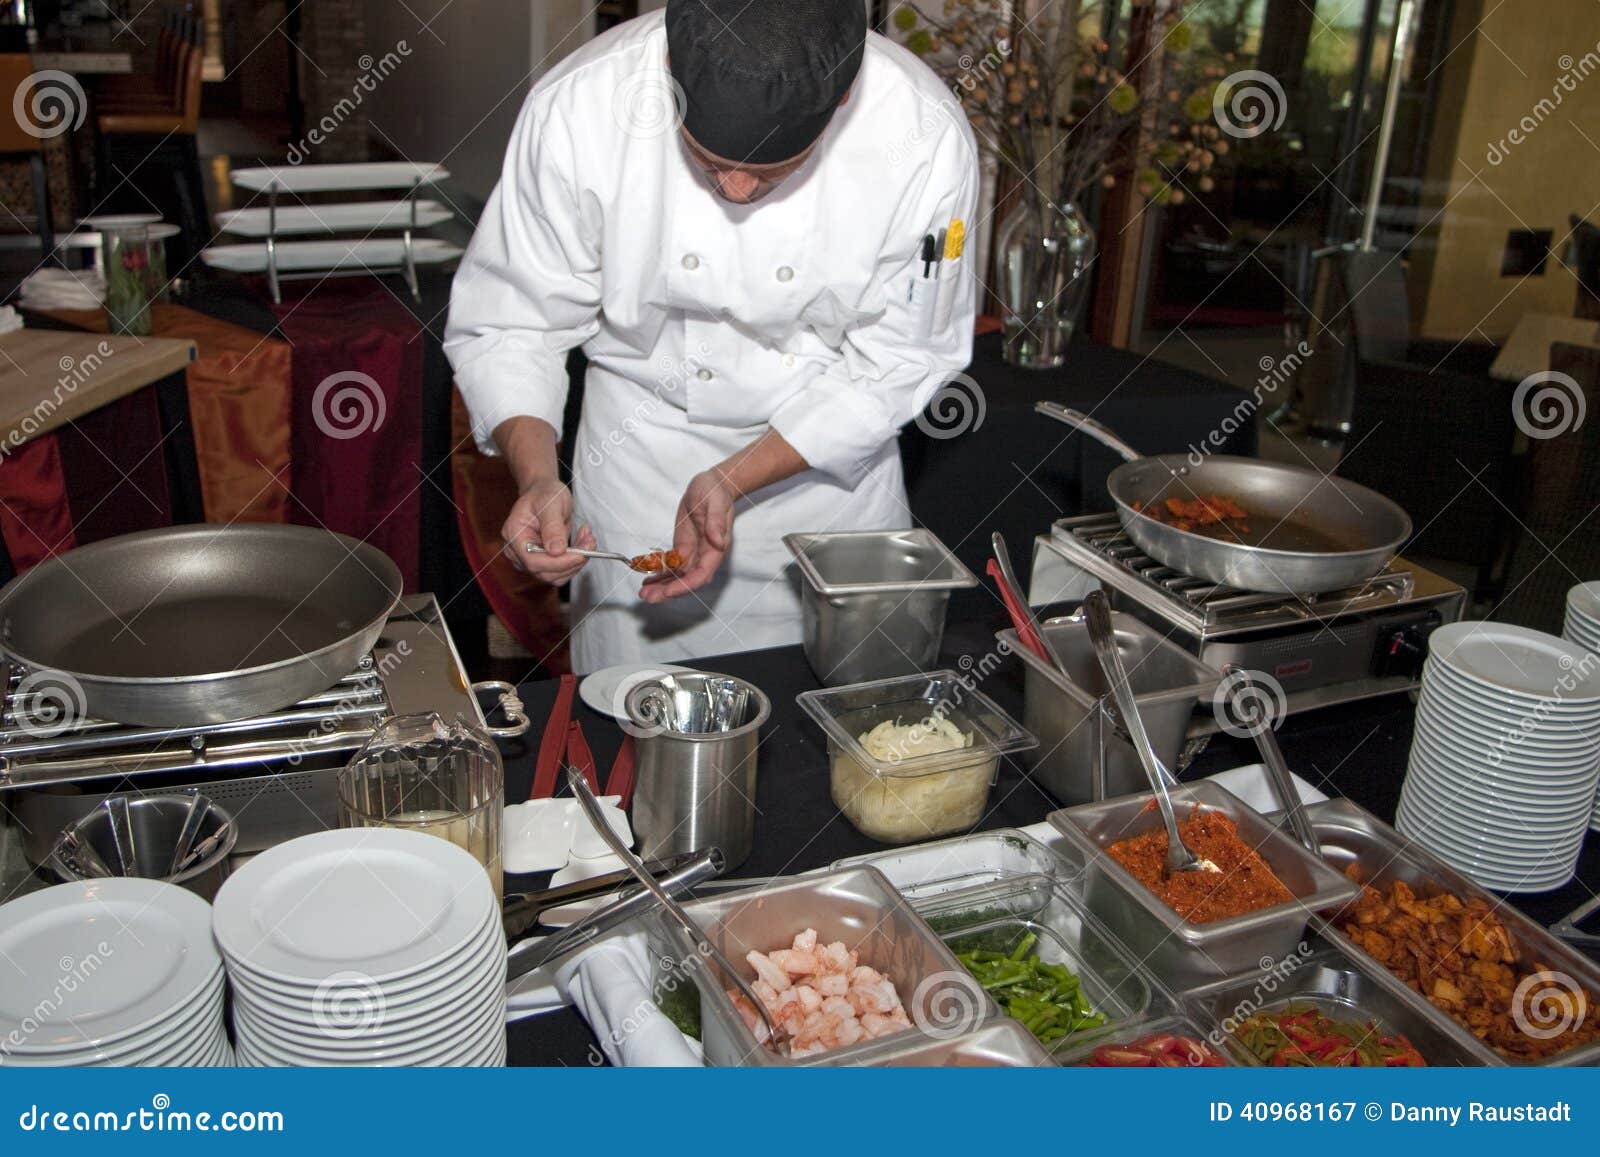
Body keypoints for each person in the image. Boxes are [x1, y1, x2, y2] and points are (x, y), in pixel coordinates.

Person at [445, 0, 978, 672]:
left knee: (840, 736)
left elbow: (906, 355)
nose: (735, 188)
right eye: (709, 160)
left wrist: (733, 478)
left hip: (828, 498)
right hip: (641, 476)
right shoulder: (581, 106)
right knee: (632, 747)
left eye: (772, 173)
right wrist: (537, 476)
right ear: (669, 67)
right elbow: (514, 317)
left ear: (844, 99)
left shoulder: (922, 134)